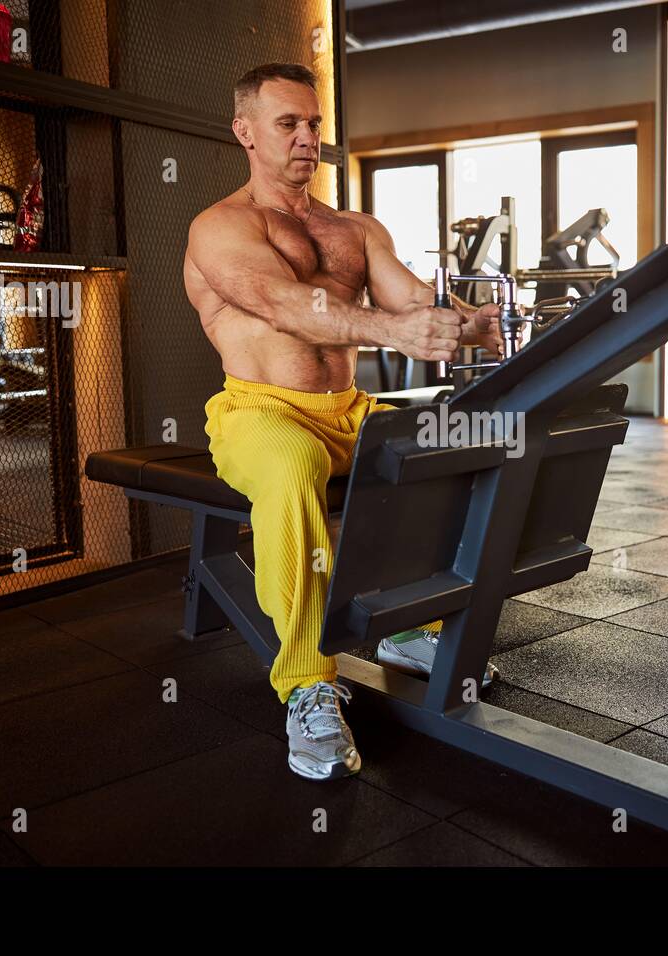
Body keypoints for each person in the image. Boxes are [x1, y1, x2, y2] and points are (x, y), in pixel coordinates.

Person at [183, 63, 503, 782]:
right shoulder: (220, 226)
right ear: (246, 132)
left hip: (348, 410)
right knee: (293, 470)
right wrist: (394, 334)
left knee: (439, 449)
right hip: (261, 412)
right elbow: (283, 305)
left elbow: (410, 296)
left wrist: (461, 324)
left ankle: (408, 629)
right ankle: (306, 682)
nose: (307, 139)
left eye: (315, 124)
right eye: (288, 124)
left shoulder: (355, 227)